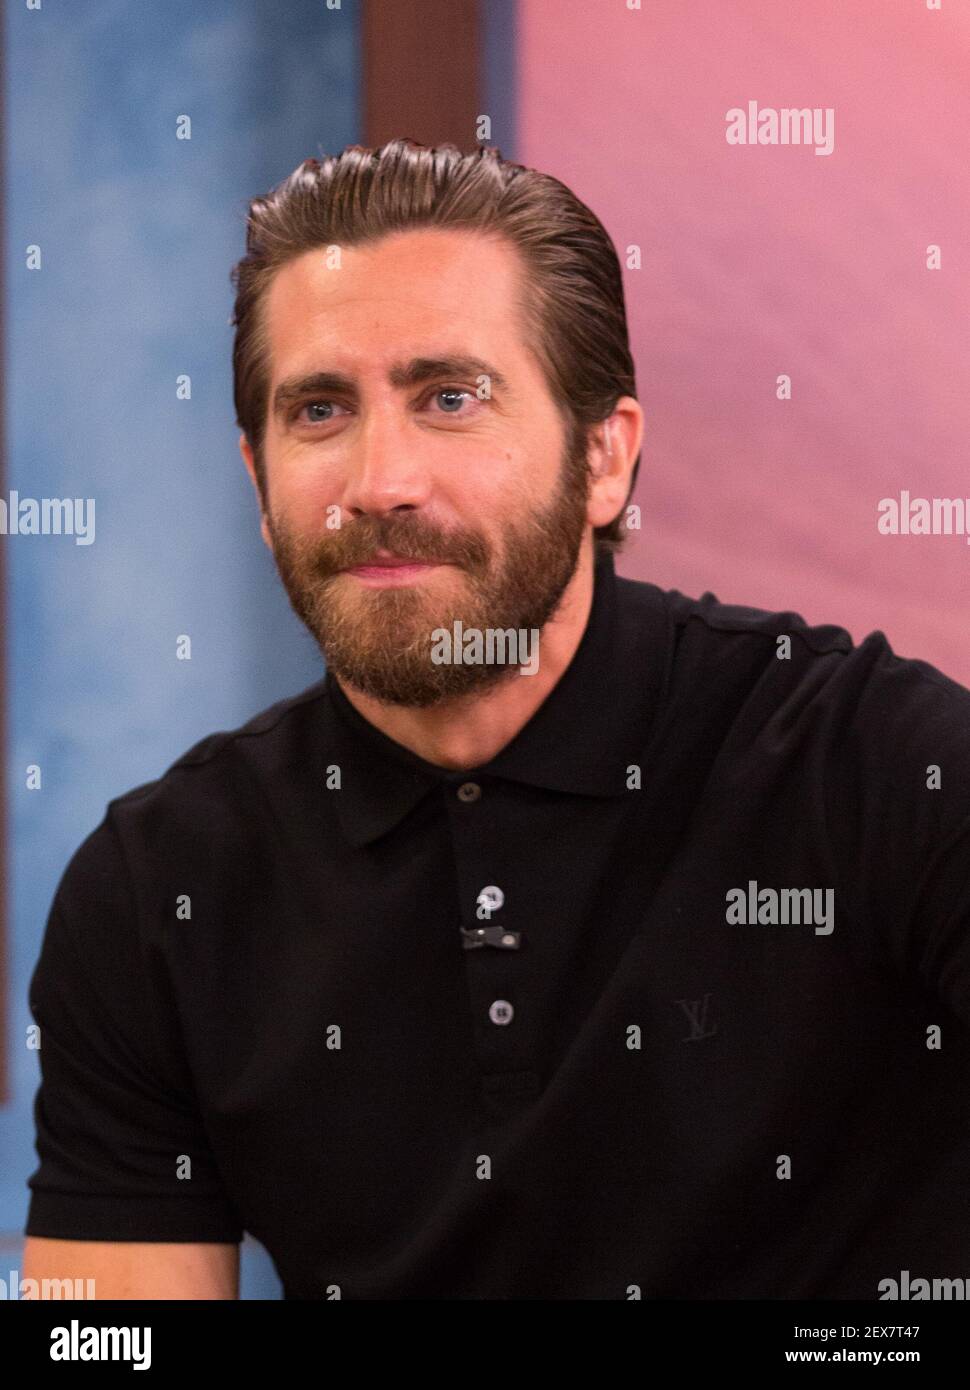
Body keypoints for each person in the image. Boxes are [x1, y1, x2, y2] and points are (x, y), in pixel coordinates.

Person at [23, 140, 970, 1300]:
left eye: (449, 397)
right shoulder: (154, 889)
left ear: (604, 459)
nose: (380, 479)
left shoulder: (887, 772)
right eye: (319, 409)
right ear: (259, 485)